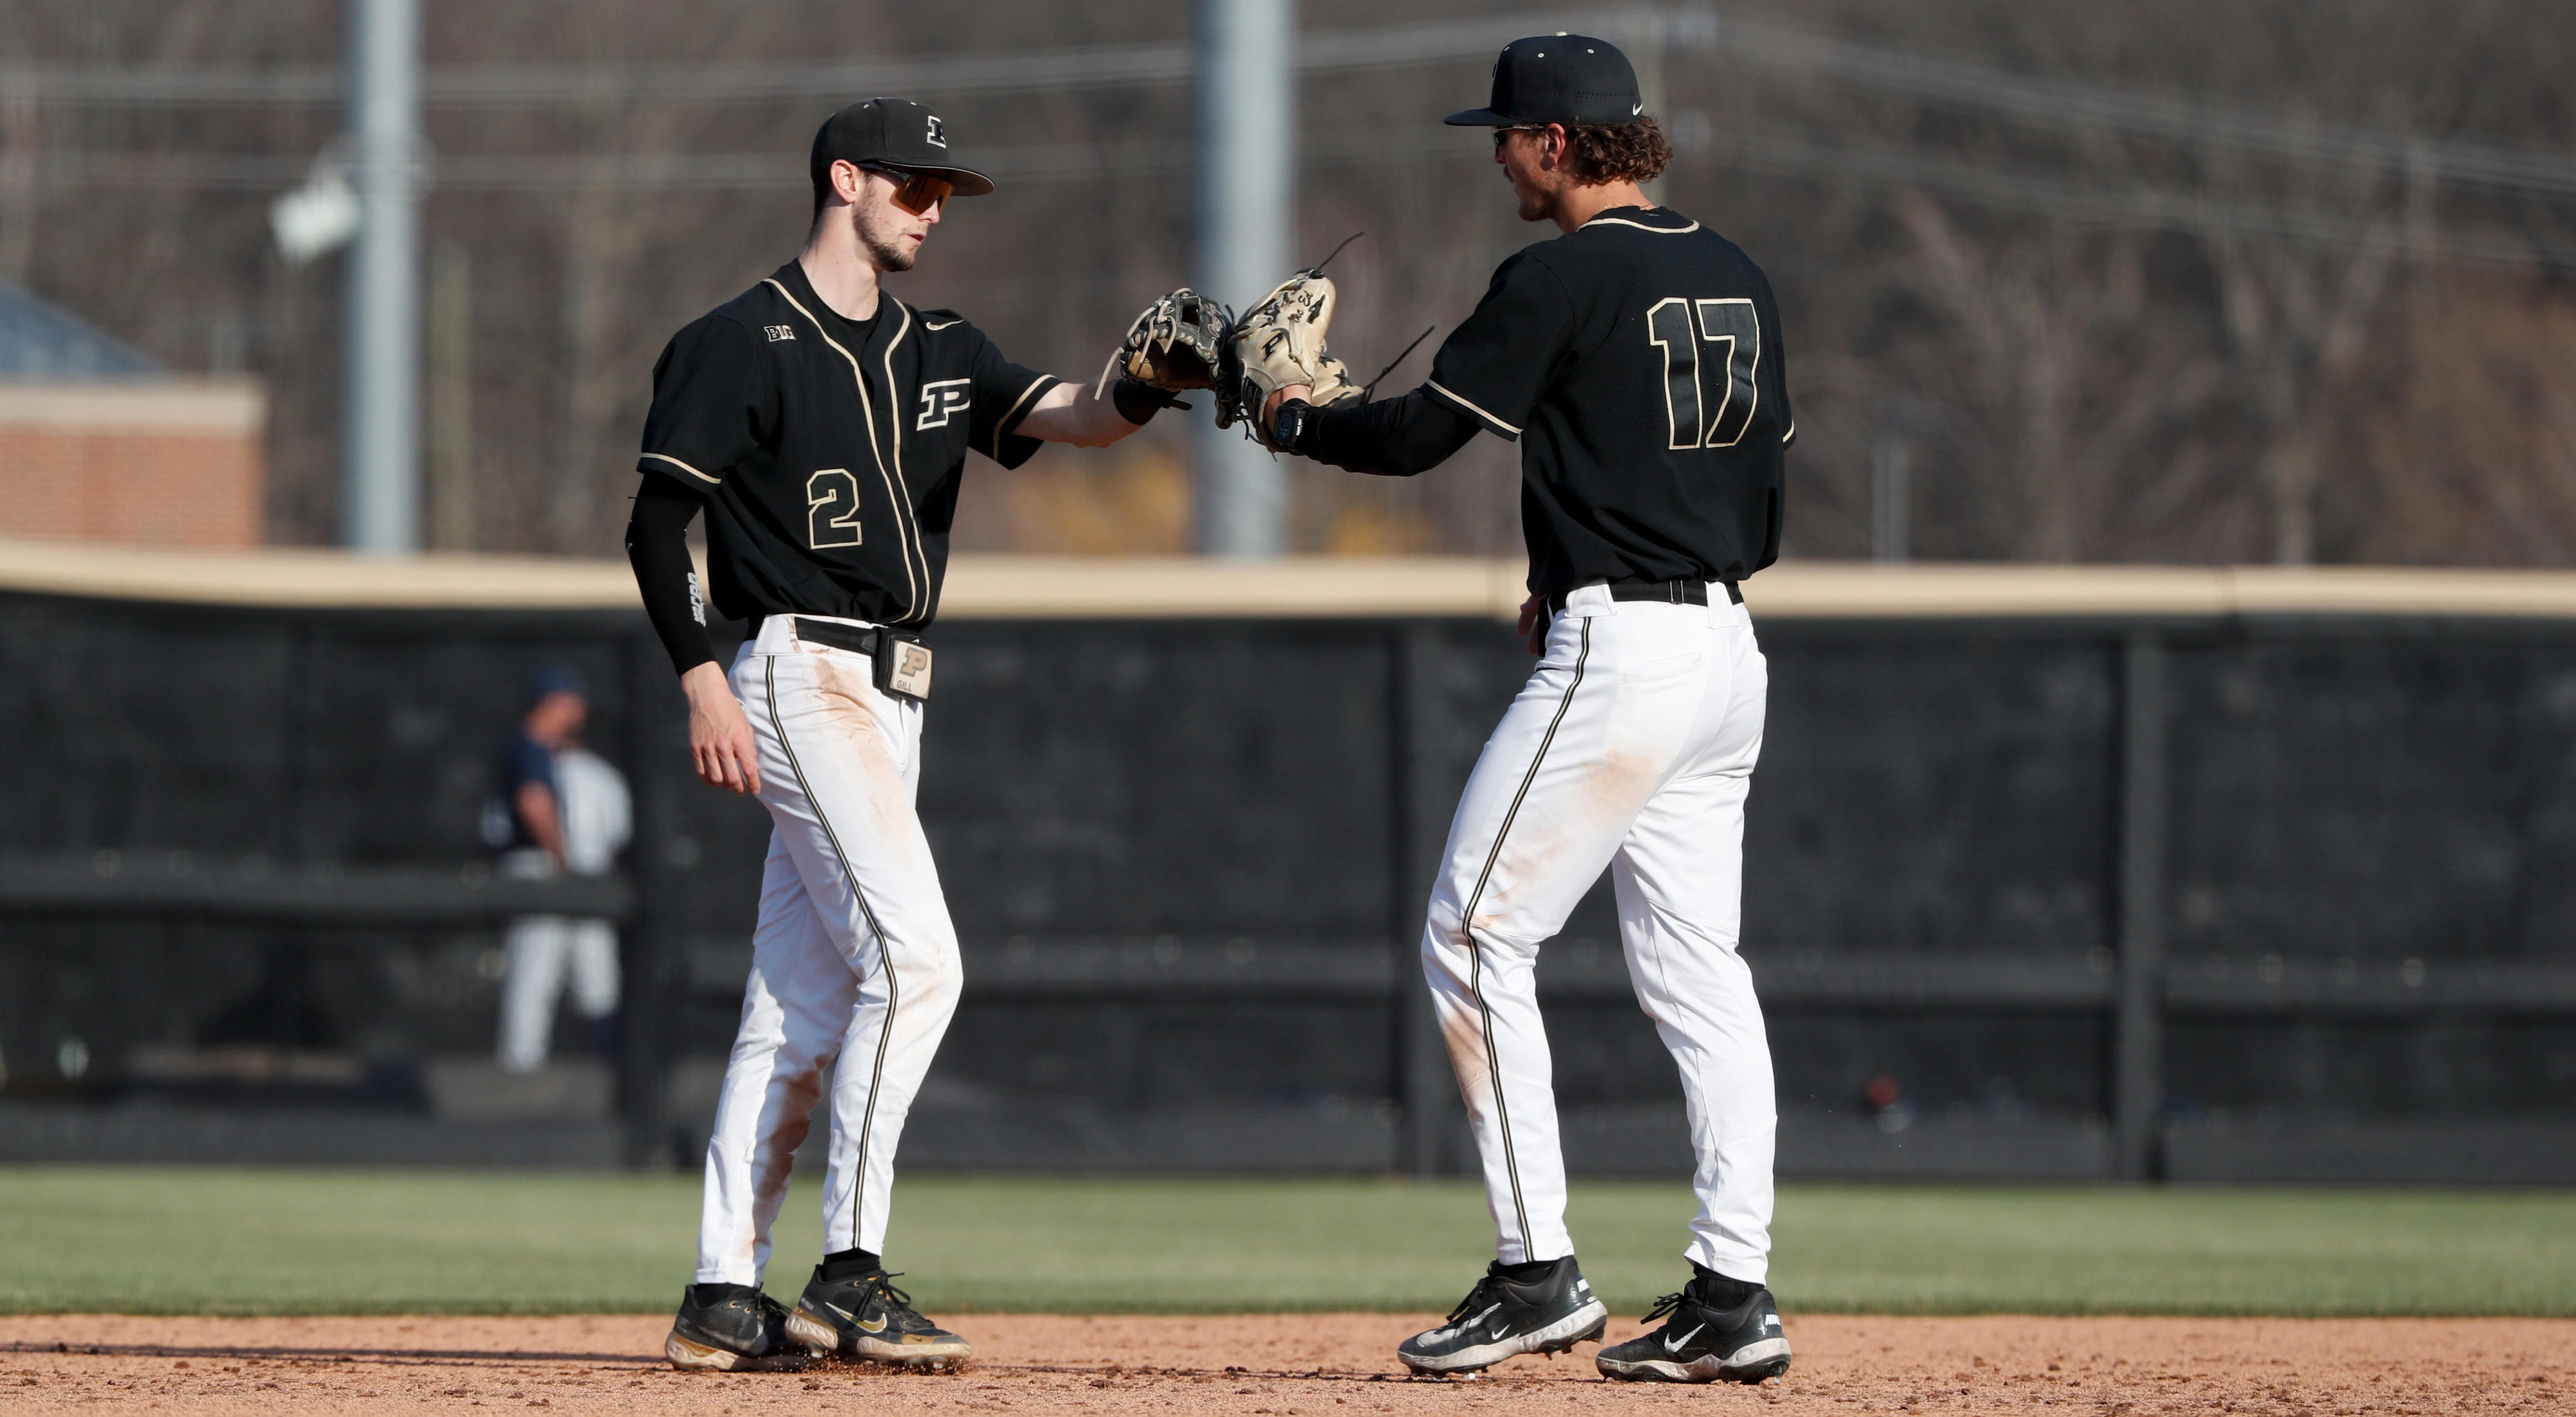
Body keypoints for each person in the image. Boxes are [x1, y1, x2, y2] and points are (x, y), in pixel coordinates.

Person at [1261, 36, 1798, 1385]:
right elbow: (1763, 503)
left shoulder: (1557, 271)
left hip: (1620, 653)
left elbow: (1413, 439)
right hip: (1725, 645)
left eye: (1505, 134)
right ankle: (1732, 1291)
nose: (1496, 152)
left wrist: (1282, 416)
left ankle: (1533, 1268)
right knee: (1700, 975)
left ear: (1557, 144)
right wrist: (1580, 565)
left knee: (1470, 930)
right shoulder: (1733, 269)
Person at [622, 97, 1173, 1372]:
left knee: (798, 998)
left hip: (894, 692)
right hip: (800, 666)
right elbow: (657, 526)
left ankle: (719, 1289)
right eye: (914, 185)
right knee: (917, 964)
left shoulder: (944, 344)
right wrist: (702, 679)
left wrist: (1151, 382)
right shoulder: (738, 337)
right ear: (843, 179)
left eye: (945, 192)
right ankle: (849, 1269)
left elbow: (1079, 416)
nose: (932, 208)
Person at [488, 665, 630, 1073]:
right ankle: (520, 1070)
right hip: (542, 868)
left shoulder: (540, 750)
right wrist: (561, 856)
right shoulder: (530, 747)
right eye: (571, 700)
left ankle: (601, 1064)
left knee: (588, 977)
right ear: (551, 703)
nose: (579, 709)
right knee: (537, 971)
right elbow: (534, 802)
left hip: (557, 869)